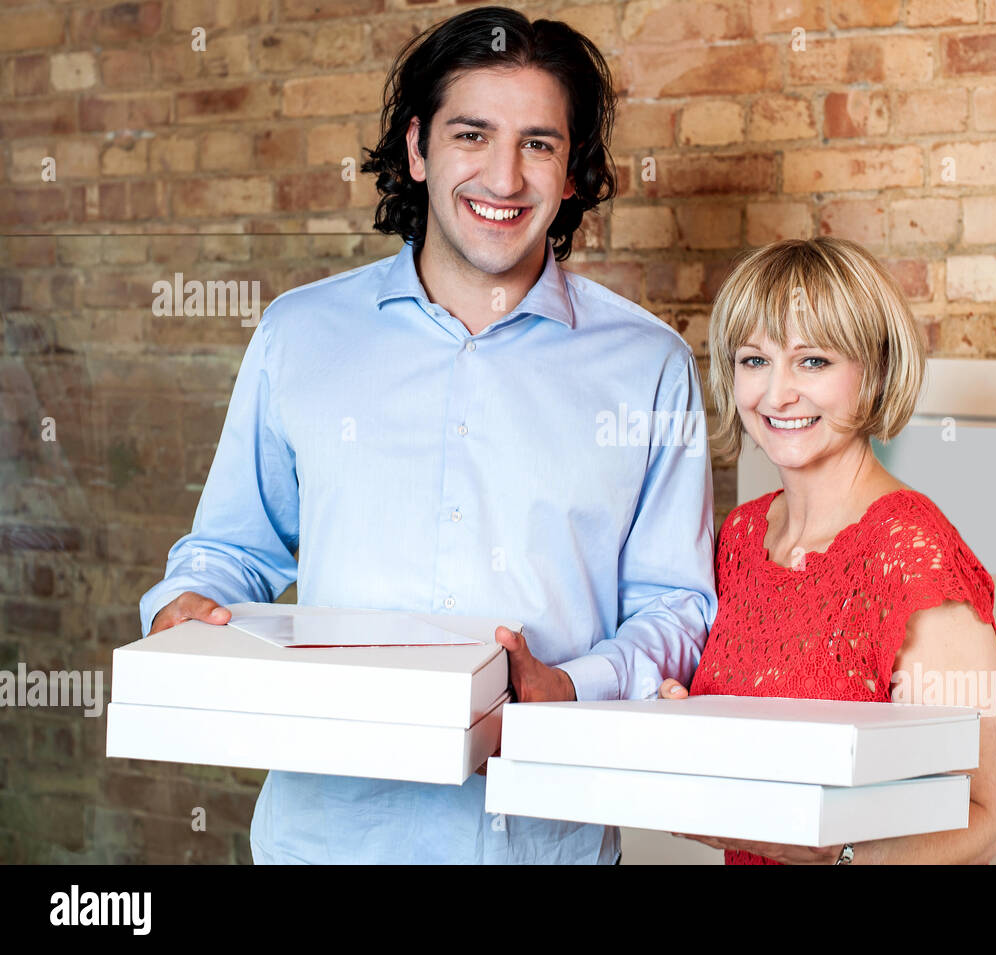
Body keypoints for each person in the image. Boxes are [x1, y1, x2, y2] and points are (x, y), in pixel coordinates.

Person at [139, 6, 717, 864]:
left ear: (572, 172)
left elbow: (676, 604)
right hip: (323, 840)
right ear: (418, 149)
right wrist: (183, 606)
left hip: (537, 844)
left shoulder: (649, 366)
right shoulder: (301, 335)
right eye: (472, 134)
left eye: (539, 144)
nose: (504, 176)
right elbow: (230, 546)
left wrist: (571, 684)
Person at [658, 237, 996, 865]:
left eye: (812, 362)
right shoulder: (739, 536)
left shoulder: (913, 551)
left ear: (871, 373)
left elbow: (980, 818)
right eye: (754, 360)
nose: (777, 393)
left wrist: (836, 854)